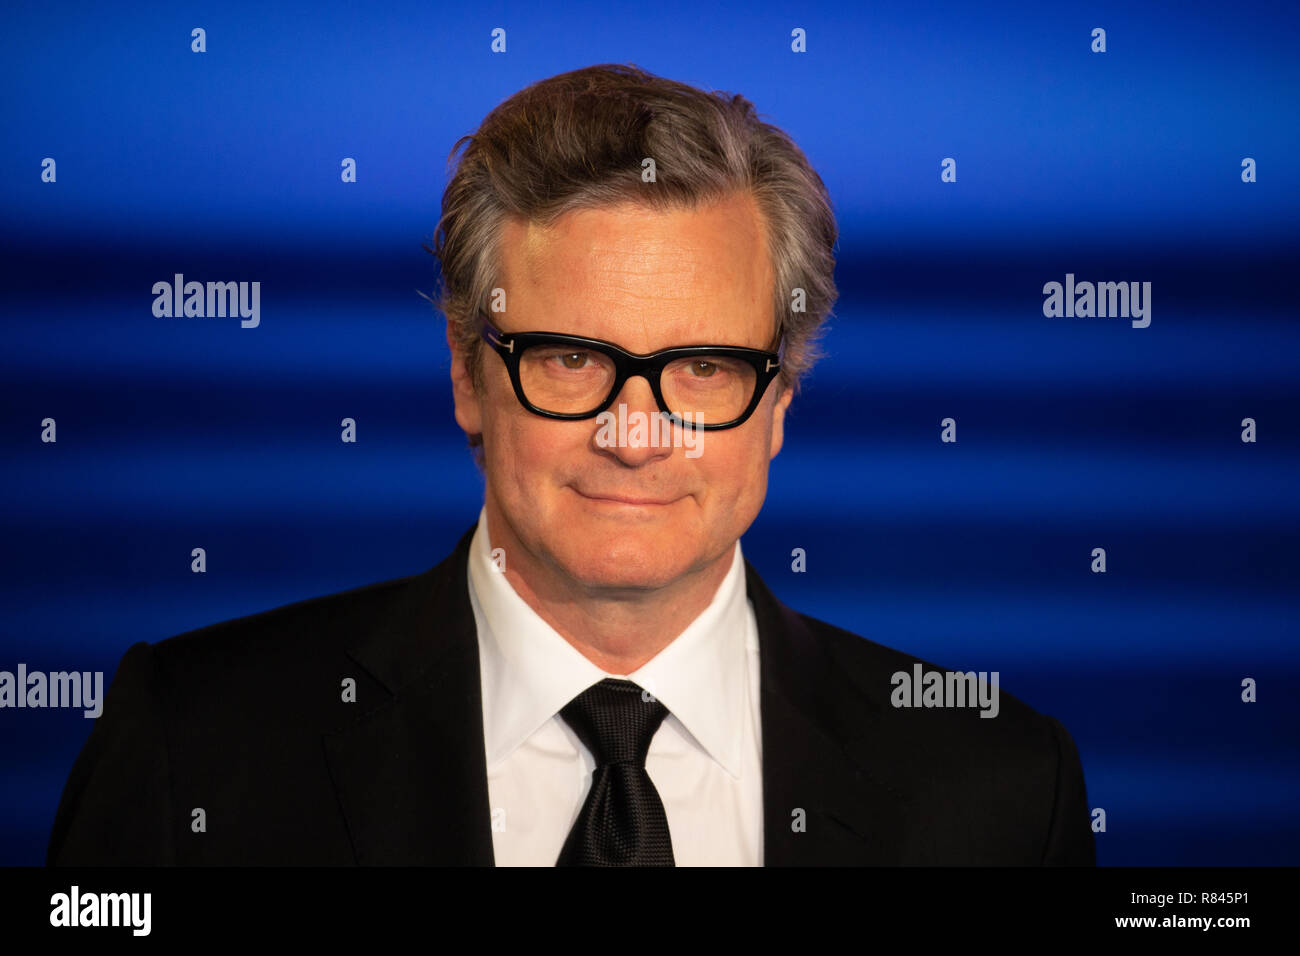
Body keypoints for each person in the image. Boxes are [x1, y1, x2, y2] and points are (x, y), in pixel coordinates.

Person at [47, 63, 1095, 866]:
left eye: (701, 368)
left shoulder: (998, 783)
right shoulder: (191, 741)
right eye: (569, 357)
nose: (634, 433)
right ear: (468, 375)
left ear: (778, 400)